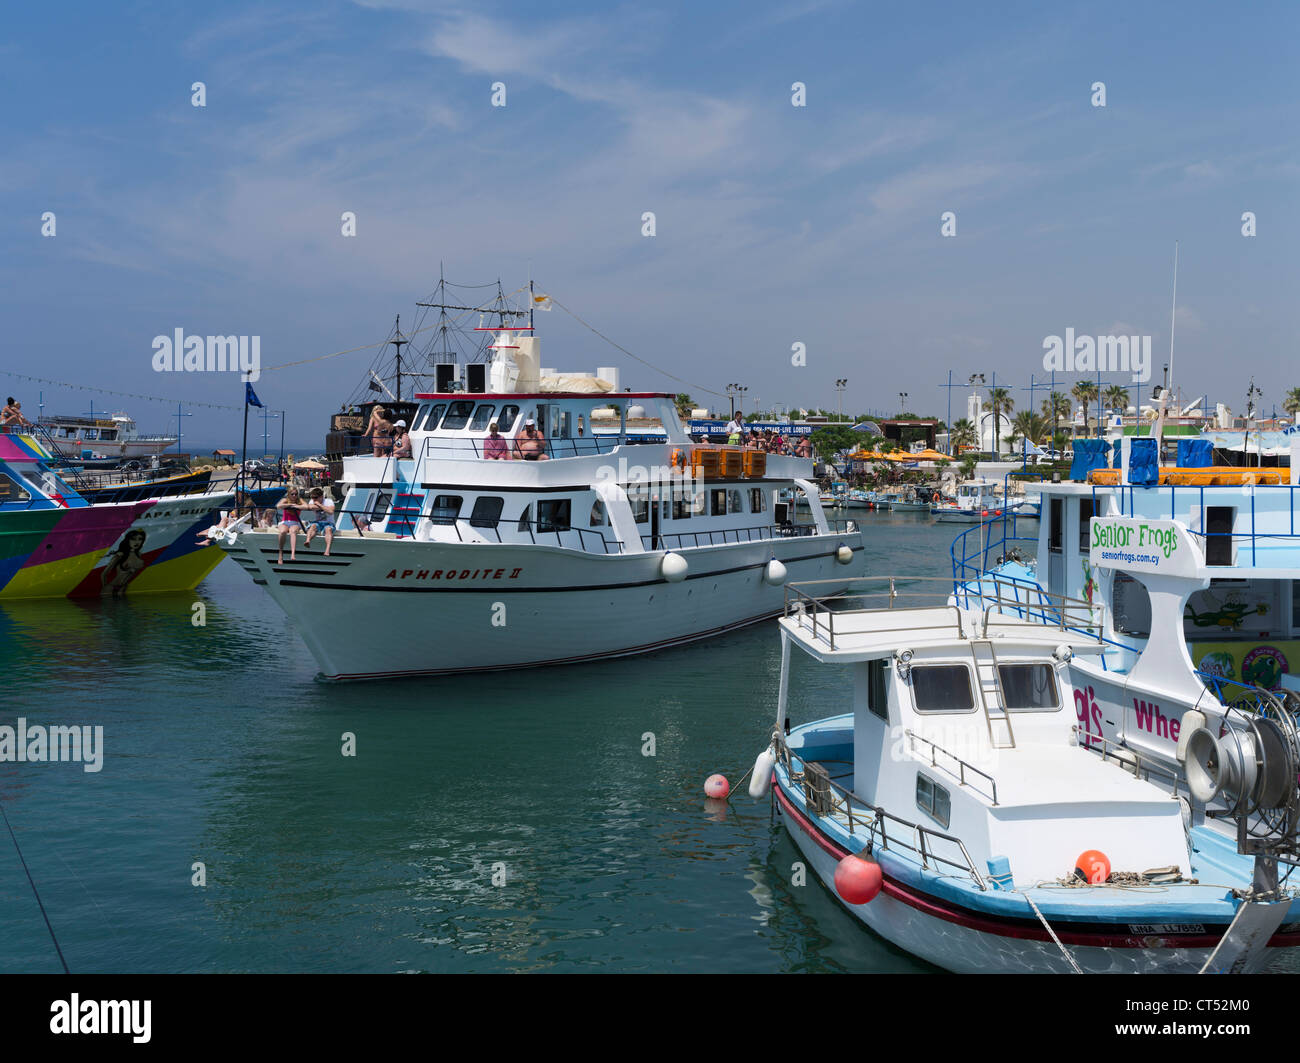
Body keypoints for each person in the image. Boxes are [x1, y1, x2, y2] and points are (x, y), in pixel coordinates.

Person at [101, 528, 148, 596]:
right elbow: (104, 574)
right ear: (128, 540)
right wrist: (105, 587)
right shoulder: (120, 555)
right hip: (110, 588)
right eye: (133, 539)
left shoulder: (139, 555)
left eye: (140, 539)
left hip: (123, 589)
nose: (137, 542)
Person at [303, 488, 335, 556]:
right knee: (313, 526)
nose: (313, 499)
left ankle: (327, 550)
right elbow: (310, 507)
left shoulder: (329, 501)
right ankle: (308, 541)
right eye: (312, 497)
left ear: (321, 497)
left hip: (329, 523)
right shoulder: (312, 501)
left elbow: (331, 512)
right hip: (318, 522)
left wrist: (319, 505)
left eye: (315, 497)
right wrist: (325, 508)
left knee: (328, 529)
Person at [276, 485, 304, 563]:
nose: (294, 495)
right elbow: (278, 506)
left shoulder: (299, 501)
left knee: (293, 531)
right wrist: (290, 505)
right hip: (285, 522)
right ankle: (280, 553)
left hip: (295, 522)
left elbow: (306, 506)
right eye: (292, 494)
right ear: (289, 494)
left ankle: (292, 553)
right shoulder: (285, 500)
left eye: (295, 494)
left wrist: (297, 506)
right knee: (282, 532)